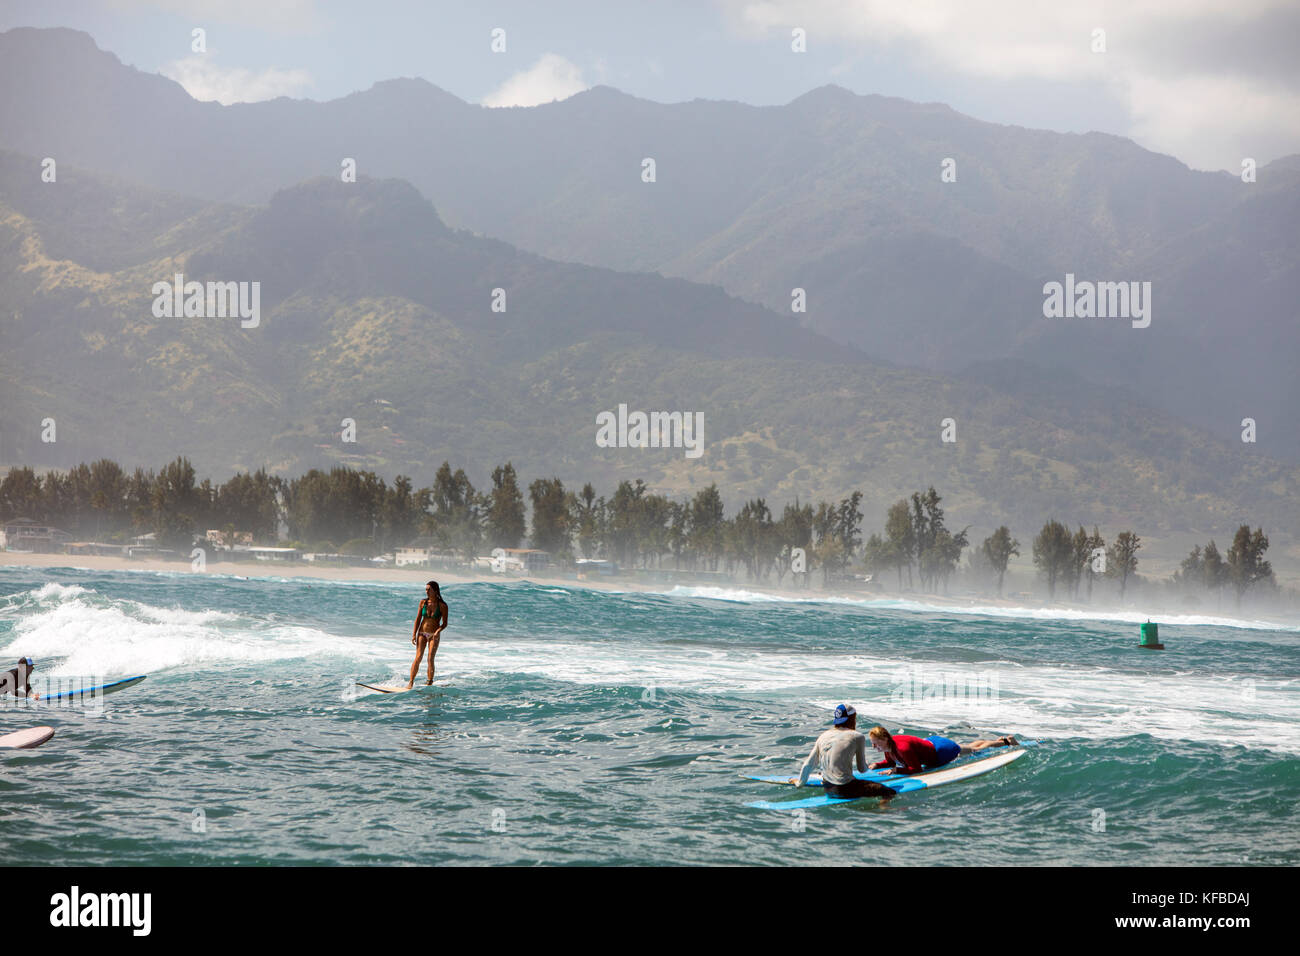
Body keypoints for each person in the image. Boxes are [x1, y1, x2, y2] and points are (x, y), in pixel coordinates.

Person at [790, 705, 896, 800]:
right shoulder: (857, 736)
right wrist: (869, 765)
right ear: (852, 719)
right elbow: (862, 769)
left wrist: (799, 783)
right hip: (846, 789)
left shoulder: (823, 736)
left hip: (828, 789)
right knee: (889, 792)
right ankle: (882, 811)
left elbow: (808, 765)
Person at [868, 726, 1017, 774]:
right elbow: (889, 761)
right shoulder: (889, 747)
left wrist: (896, 771)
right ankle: (999, 740)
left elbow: (917, 769)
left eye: (875, 744)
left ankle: (1006, 742)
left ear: (885, 739)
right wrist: (878, 765)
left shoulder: (902, 748)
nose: (874, 747)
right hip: (931, 743)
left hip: (942, 750)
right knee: (971, 746)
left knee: (974, 750)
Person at [407, 581, 448, 688]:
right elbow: (418, 619)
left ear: (435, 591)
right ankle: (411, 682)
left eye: (429, 589)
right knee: (418, 657)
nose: (427, 591)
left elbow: (444, 623)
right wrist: (413, 634)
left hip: (433, 635)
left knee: (430, 658)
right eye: (426, 589)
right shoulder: (423, 603)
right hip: (422, 633)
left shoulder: (442, 605)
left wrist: (438, 631)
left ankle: (429, 682)